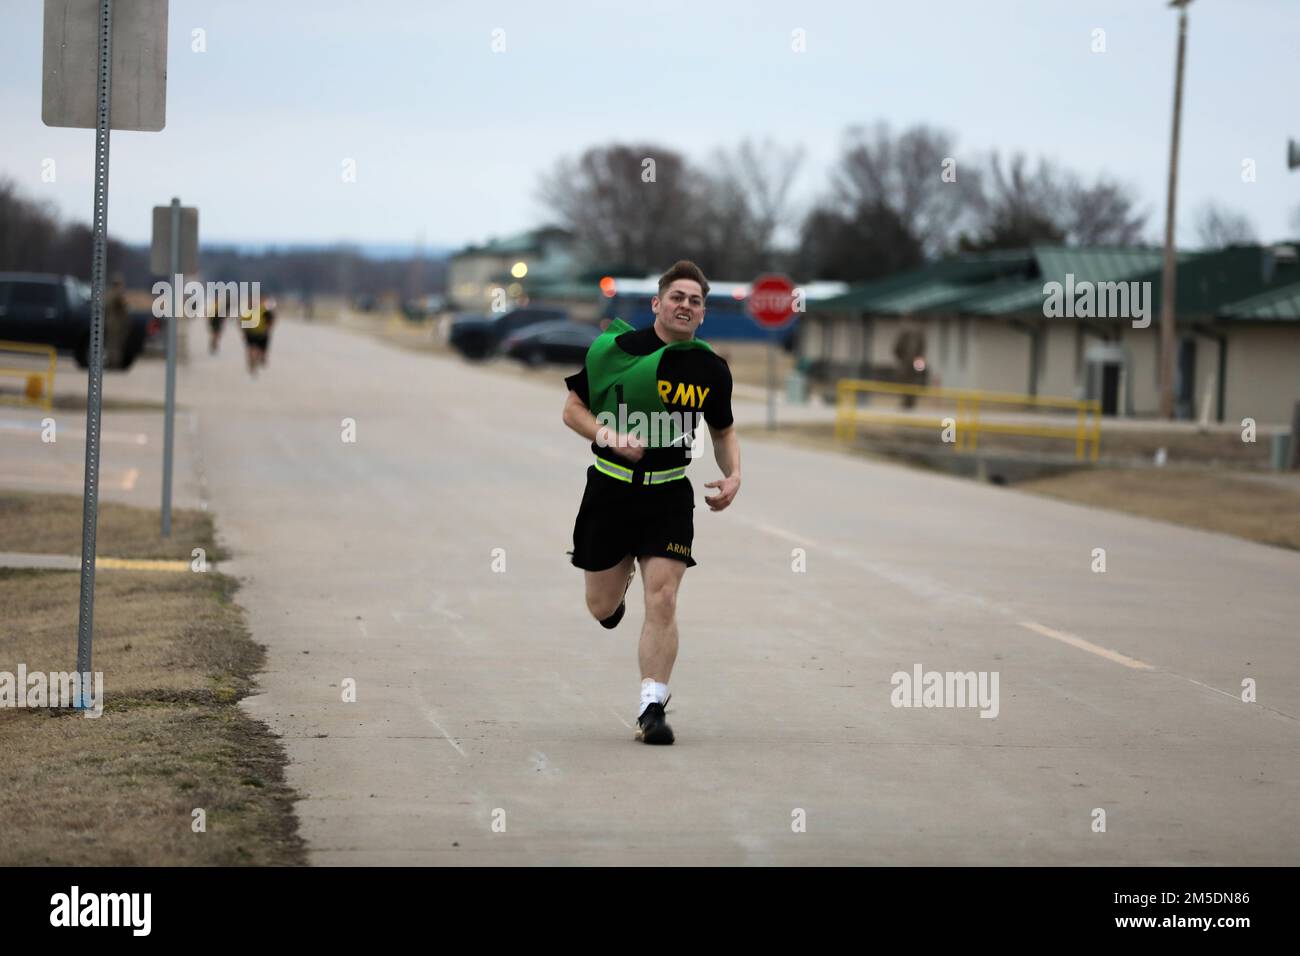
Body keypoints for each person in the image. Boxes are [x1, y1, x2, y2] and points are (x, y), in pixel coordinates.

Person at [561, 260, 742, 745]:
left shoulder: (709, 368)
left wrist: (733, 475)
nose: (686, 305)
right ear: (657, 303)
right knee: (600, 606)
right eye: (677, 296)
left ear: (703, 314)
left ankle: (652, 707)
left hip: (667, 493)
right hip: (610, 488)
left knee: (662, 596)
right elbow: (572, 409)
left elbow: (722, 430)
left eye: (696, 300)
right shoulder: (612, 351)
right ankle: (612, 597)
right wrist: (607, 434)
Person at [241, 296, 276, 375]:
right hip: (261, 333)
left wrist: (244, 331)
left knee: (251, 350)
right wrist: (268, 329)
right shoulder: (265, 309)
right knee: (259, 351)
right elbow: (271, 321)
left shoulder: (249, 309)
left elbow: (242, 321)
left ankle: (252, 363)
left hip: (250, 332)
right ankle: (256, 361)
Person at [105, 274, 130, 370]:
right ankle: (114, 364)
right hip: (117, 324)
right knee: (116, 345)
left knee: (110, 344)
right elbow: (124, 309)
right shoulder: (118, 295)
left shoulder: (109, 294)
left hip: (109, 322)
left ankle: (110, 362)